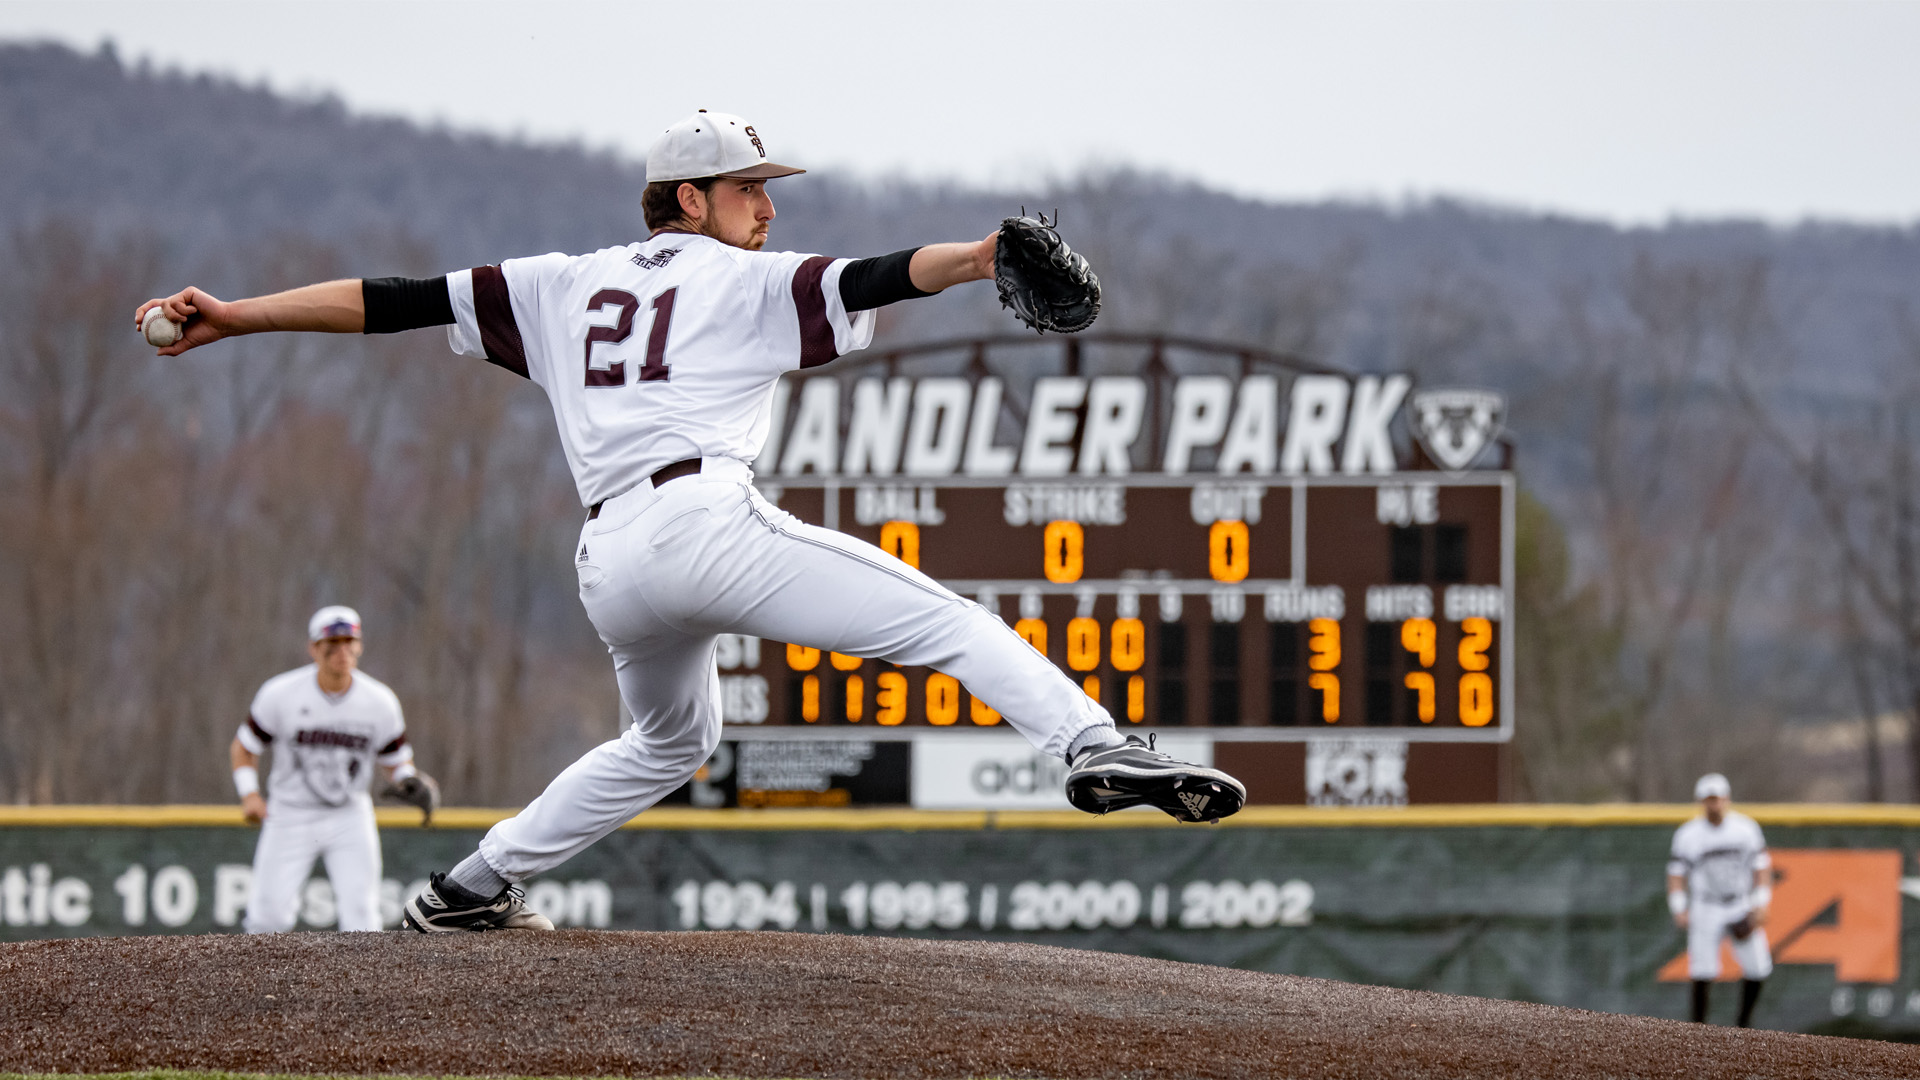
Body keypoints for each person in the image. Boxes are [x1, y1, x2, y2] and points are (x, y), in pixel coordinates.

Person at [140, 109, 1246, 933]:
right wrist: (981, 255)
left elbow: (391, 300)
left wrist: (235, 315)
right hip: (700, 521)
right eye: (744, 187)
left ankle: (473, 886)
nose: (767, 207)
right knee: (943, 620)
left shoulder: (558, 282)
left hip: (610, 557)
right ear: (686, 199)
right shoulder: (742, 281)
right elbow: (880, 276)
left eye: (766, 189)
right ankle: (1093, 743)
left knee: (674, 739)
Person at [231, 606, 464, 932]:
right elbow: (244, 747)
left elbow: (395, 762)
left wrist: (409, 780)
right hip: (290, 813)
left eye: (348, 642)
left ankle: (359, 985)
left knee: (362, 918)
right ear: (314, 648)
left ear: (359, 645)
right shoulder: (281, 694)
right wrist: (249, 794)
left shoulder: (378, 701)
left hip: (349, 815)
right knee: (267, 918)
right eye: (333, 643)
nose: (342, 651)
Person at [1667, 772, 1772, 1027]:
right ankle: (1697, 1029)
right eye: (1708, 799)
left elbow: (1761, 867)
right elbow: (1676, 873)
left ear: (1727, 798)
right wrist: (1679, 906)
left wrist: (1761, 901)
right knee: (1702, 970)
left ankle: (1744, 1025)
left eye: (1717, 798)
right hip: (1706, 905)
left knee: (1758, 967)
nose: (1714, 804)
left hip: (1739, 903)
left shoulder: (1745, 828)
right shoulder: (1688, 834)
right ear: (1700, 801)